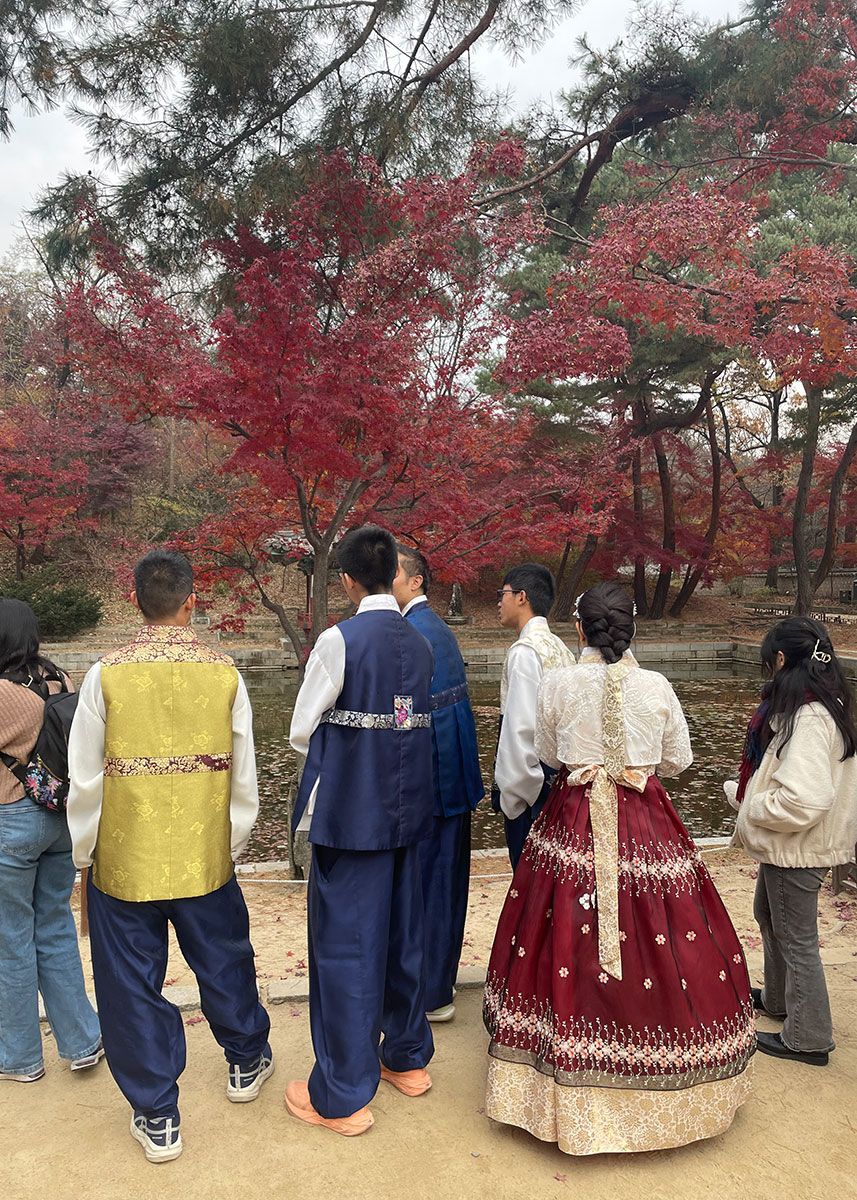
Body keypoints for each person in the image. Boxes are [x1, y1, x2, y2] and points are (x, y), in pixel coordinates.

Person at [483, 582, 755, 1155]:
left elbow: (550, 756)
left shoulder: (559, 682)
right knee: (666, 930)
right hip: (642, 817)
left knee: (555, 929)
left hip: (573, 816)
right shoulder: (654, 685)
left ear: (579, 629)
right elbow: (677, 759)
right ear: (630, 627)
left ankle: (556, 1076)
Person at [67, 550, 271, 1164]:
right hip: (204, 855)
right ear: (192, 600)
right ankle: (243, 1059)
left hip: (125, 857)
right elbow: (244, 776)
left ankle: (157, 1114)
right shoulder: (225, 673)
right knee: (225, 960)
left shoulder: (105, 674)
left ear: (135, 600)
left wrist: (86, 853)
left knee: (130, 984)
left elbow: (84, 779)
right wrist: (229, 844)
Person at [286, 525, 435, 1137]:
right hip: (410, 810)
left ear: (347, 578)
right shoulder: (420, 641)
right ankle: (405, 1057)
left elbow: (302, 728)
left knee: (346, 947)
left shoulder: (338, 639)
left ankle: (343, 1092)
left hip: (352, 816)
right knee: (404, 935)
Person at [725, 616, 857, 1068]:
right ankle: (780, 1000)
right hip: (795, 843)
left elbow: (803, 799)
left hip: (798, 846)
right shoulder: (817, 704)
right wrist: (746, 793)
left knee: (796, 936)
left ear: (782, 659)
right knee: (769, 914)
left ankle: (808, 1036)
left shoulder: (811, 716)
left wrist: (752, 807)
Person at [0, 598, 103, 1083]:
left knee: (11, 942)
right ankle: (82, 1040)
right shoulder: (60, 680)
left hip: (11, 824)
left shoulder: (1, 693)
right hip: (59, 821)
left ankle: (21, 1057)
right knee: (56, 929)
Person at [393, 544, 484, 1023]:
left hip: (430, 780)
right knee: (445, 886)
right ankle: (438, 988)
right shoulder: (436, 630)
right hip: (452, 775)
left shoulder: (411, 632)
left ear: (416, 582)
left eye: (395, 574)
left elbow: (406, 716)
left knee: (424, 887)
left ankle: (426, 993)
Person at [493, 563, 575, 868]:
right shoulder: (560, 647)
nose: (499, 602)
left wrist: (513, 799)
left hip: (532, 794)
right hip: (560, 784)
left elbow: (520, 731)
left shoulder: (524, 652)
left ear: (521, 597)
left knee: (528, 883)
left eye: (503, 594)